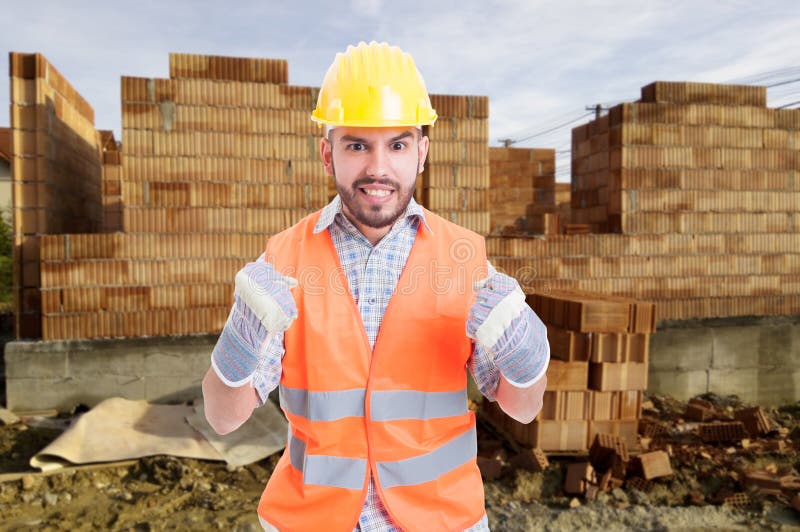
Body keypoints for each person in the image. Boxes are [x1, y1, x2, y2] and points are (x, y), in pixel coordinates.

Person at [202, 41, 550, 532]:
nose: (378, 169)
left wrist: (527, 352)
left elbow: (524, 406)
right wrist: (240, 341)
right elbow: (221, 417)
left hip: (439, 521)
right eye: (357, 144)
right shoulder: (281, 261)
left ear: (422, 152)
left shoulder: (464, 258)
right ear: (328, 153)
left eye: (398, 144)